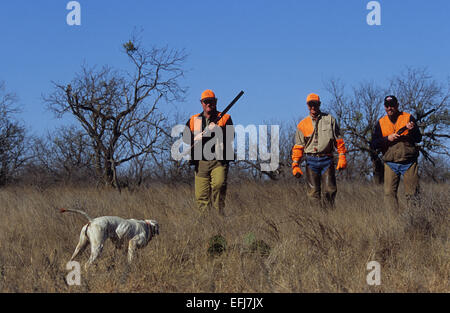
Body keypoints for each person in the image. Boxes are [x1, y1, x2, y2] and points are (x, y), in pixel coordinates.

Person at [291, 93, 347, 208]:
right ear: (307, 105)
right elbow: (298, 146)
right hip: (311, 162)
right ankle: (317, 219)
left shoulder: (330, 119)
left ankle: (329, 218)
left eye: (315, 104)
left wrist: (342, 156)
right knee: (313, 194)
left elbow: (339, 140)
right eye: (310, 105)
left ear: (319, 104)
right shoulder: (302, 124)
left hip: (327, 160)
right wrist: (295, 164)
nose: (313, 107)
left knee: (330, 191)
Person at [184, 89, 234, 215]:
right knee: (201, 196)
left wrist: (216, 129)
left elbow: (231, 136)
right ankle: (205, 223)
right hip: (201, 163)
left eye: (211, 101)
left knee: (219, 185)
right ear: (201, 103)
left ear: (215, 102)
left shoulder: (225, 117)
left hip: (219, 161)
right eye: (206, 102)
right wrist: (197, 137)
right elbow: (185, 137)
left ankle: (219, 218)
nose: (208, 104)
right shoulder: (193, 119)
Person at [371, 95, 422, 212]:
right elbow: (373, 144)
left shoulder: (408, 117)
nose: (390, 108)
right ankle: (393, 223)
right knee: (389, 195)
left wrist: (412, 129)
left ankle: (415, 220)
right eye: (387, 106)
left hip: (409, 163)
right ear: (384, 107)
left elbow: (418, 138)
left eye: (392, 105)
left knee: (412, 194)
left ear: (397, 105)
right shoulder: (381, 122)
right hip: (390, 163)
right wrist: (387, 139)